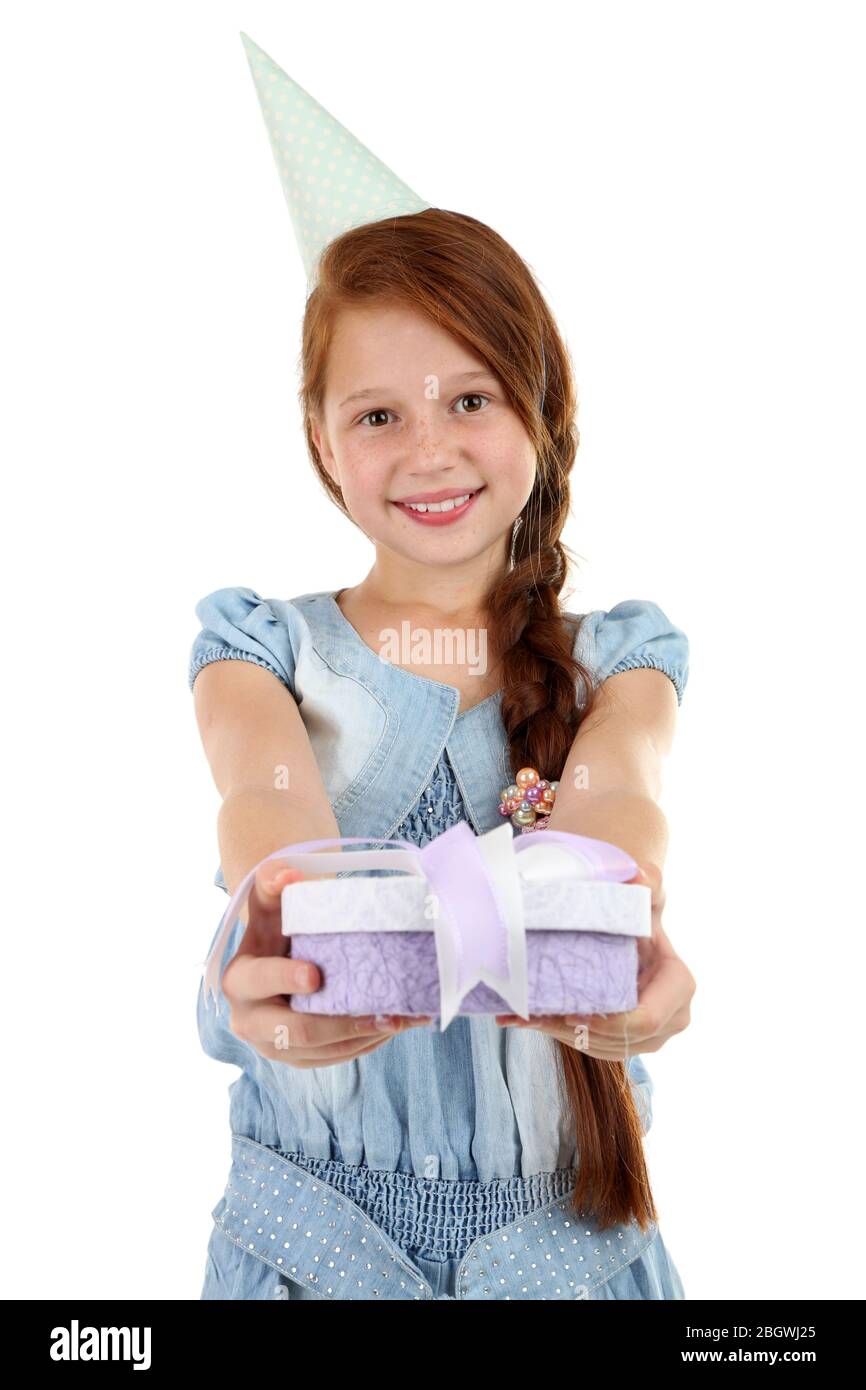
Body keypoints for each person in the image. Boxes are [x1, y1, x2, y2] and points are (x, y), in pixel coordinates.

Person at [189, 34, 694, 1301]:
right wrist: (271, 933)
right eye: (378, 414)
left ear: (538, 405)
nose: (430, 451)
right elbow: (264, 802)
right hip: (306, 1249)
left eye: (469, 399)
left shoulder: (614, 662)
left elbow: (619, 800)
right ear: (321, 438)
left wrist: (620, 945)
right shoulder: (262, 649)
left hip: (560, 1255)